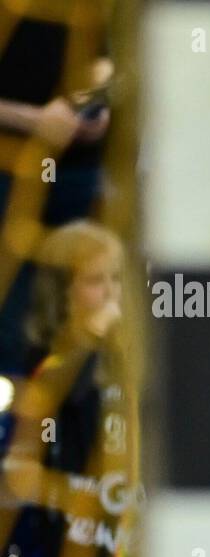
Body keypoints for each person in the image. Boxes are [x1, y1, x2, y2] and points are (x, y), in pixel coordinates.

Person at [0, 221, 139, 557]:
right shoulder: (49, 362)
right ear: (64, 292)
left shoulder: (130, 358)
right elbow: (61, 400)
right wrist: (87, 342)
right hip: (68, 553)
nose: (111, 294)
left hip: (125, 542)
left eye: (117, 280)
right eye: (97, 281)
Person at [0, 11, 112, 373]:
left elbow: (105, 55)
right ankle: (15, 421)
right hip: (10, 171)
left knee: (81, 313)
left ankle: (73, 420)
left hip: (78, 167)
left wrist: (92, 101)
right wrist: (34, 120)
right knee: (11, 323)